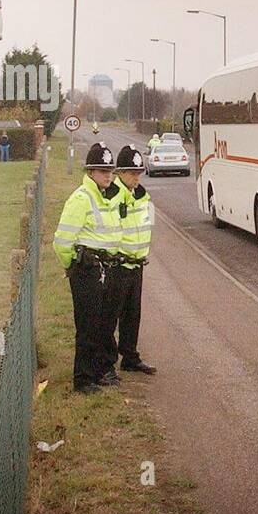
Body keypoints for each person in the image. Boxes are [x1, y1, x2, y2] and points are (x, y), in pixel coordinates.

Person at [52, 142, 124, 393]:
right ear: (90, 172)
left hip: (107, 268)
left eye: (110, 170)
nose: (108, 175)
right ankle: (83, 379)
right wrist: (73, 266)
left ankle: (100, 372)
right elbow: (61, 241)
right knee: (88, 325)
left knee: (104, 324)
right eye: (102, 170)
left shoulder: (107, 197)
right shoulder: (81, 199)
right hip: (88, 269)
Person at [107, 145, 157, 375]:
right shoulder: (112, 195)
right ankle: (107, 362)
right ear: (119, 173)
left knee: (132, 314)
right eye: (131, 173)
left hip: (136, 264)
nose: (136, 177)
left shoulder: (141, 195)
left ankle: (130, 357)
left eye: (138, 173)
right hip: (117, 264)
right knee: (110, 316)